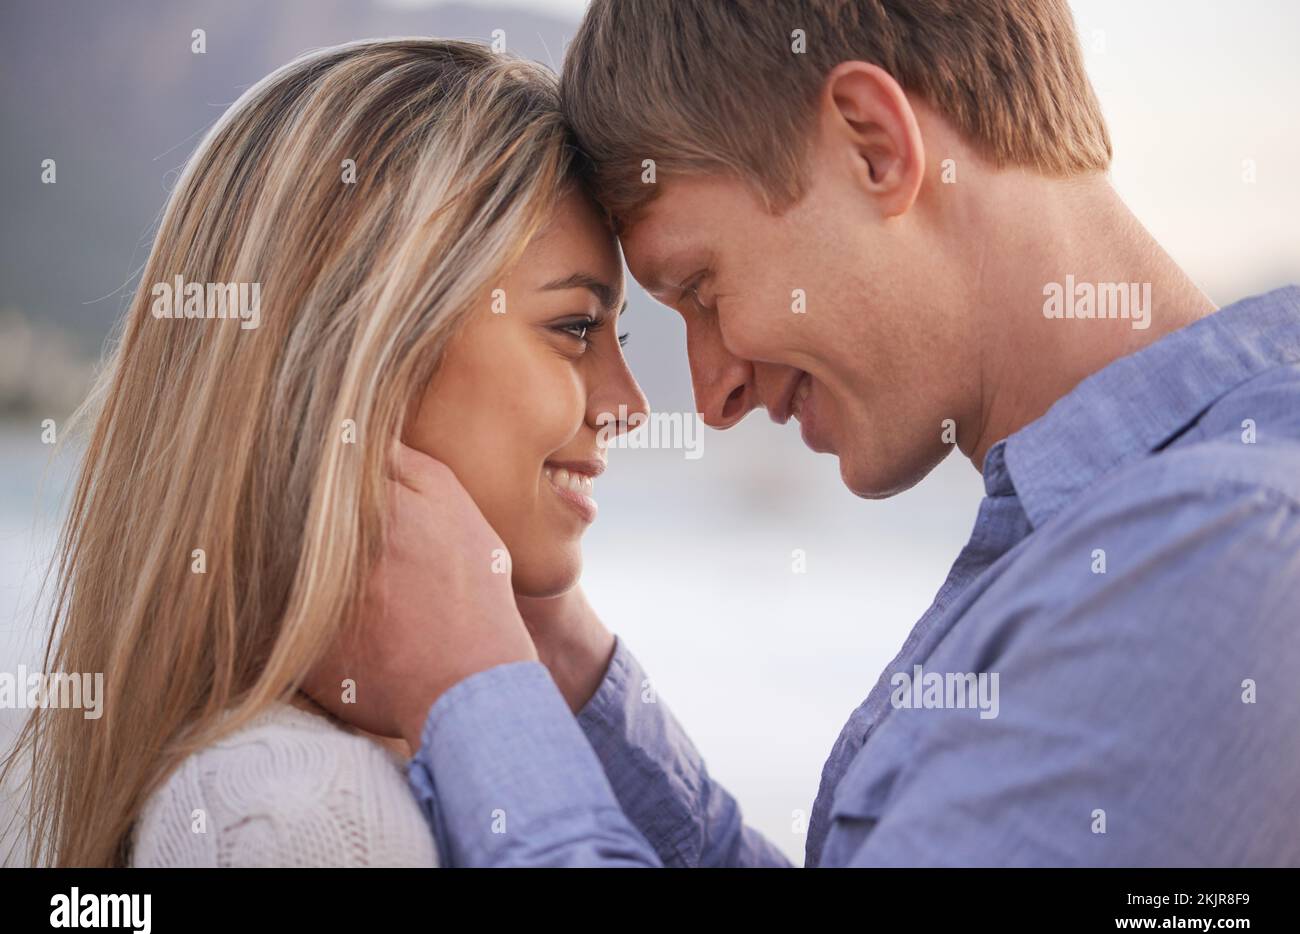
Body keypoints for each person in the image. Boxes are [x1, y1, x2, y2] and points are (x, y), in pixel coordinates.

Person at [309, 0, 1300, 866]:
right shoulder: (1120, 536)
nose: (711, 395)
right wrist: (564, 675)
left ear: (874, 143)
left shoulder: (1212, 557)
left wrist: (475, 692)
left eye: (700, 288)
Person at [0, 38, 645, 867]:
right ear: (364, 359)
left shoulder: (326, 776)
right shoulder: (308, 815)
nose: (633, 405)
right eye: (576, 328)